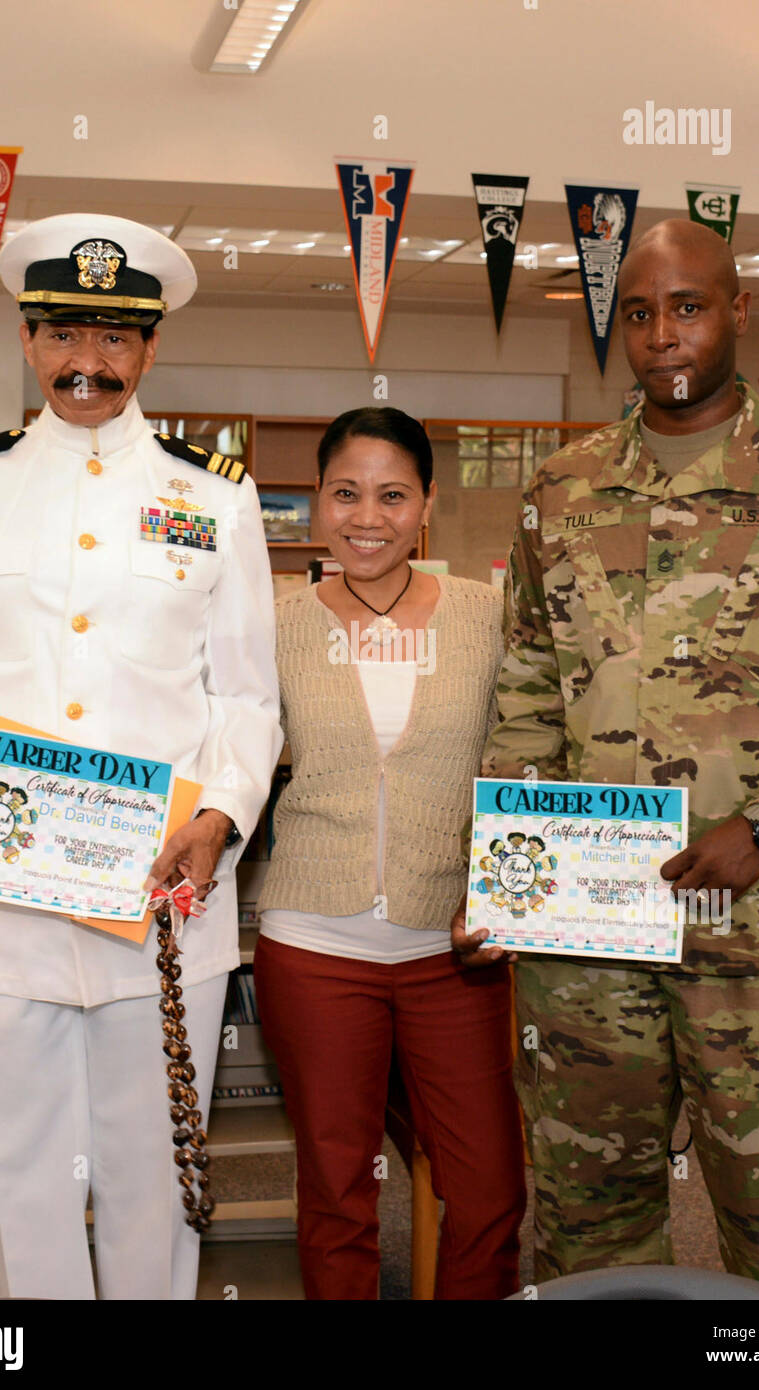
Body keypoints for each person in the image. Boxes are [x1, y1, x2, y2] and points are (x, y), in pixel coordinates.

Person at [454, 219, 759, 1288]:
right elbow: (522, 693)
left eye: (687, 306)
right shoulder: (559, 487)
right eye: (639, 313)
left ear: (737, 311)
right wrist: (502, 878)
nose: (662, 334)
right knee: (586, 1227)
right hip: (589, 935)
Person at [0, 214, 282, 1300]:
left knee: (152, 1186)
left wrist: (222, 815)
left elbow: (245, 696)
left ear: (148, 351)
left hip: (160, 899)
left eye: (113, 339)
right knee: (24, 1184)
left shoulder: (215, 493)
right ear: (27, 338)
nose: (86, 364)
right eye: (62, 334)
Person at [254, 407, 526, 1300]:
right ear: (318, 499)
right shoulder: (275, 624)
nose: (366, 516)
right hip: (314, 942)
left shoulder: (489, 618)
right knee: (337, 1190)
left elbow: (525, 757)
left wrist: (511, 893)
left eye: (391, 495)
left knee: (487, 1186)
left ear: (426, 505)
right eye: (345, 493)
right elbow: (220, 745)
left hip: (454, 945)